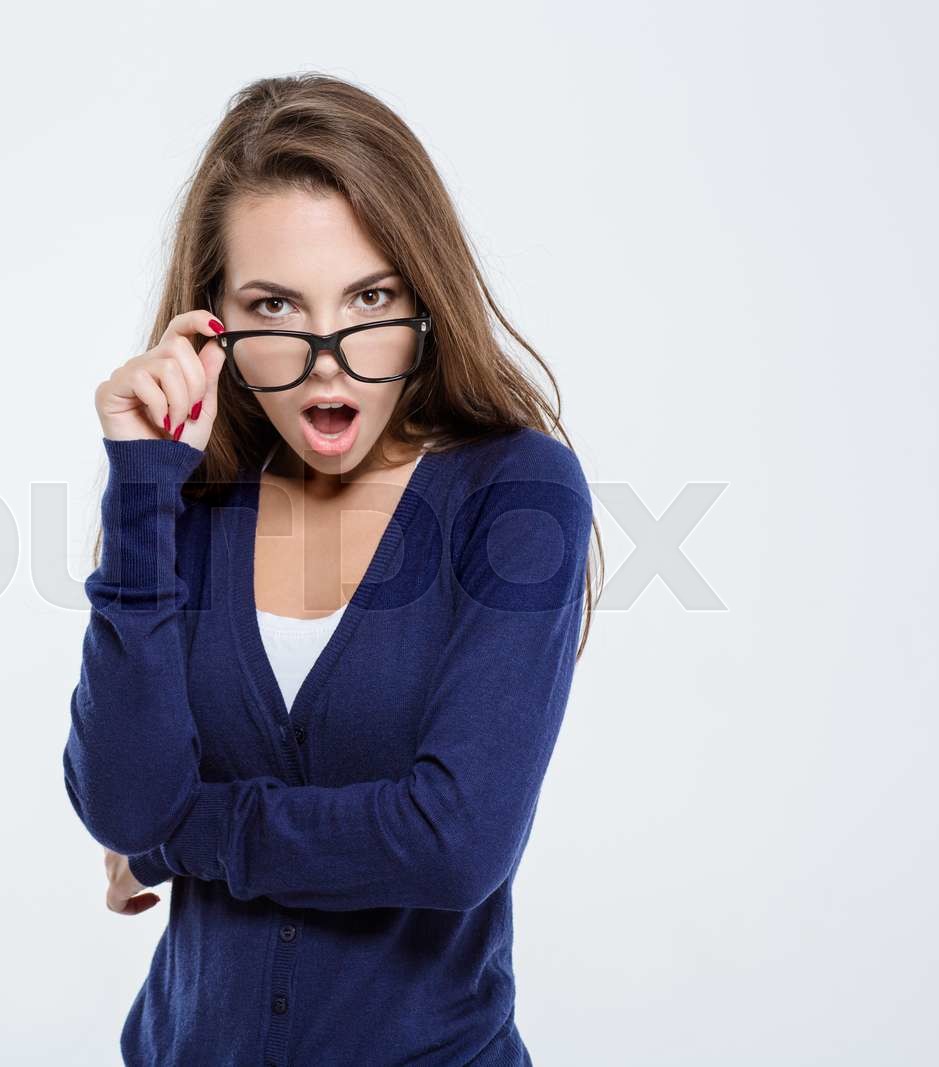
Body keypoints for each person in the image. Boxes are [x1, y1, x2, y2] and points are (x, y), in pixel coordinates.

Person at [63, 73, 603, 1067]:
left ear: (424, 299)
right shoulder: (188, 498)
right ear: (212, 323)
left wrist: (186, 832)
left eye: (370, 296)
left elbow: (455, 841)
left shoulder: (514, 489)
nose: (329, 361)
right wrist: (140, 481)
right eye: (275, 304)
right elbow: (124, 803)